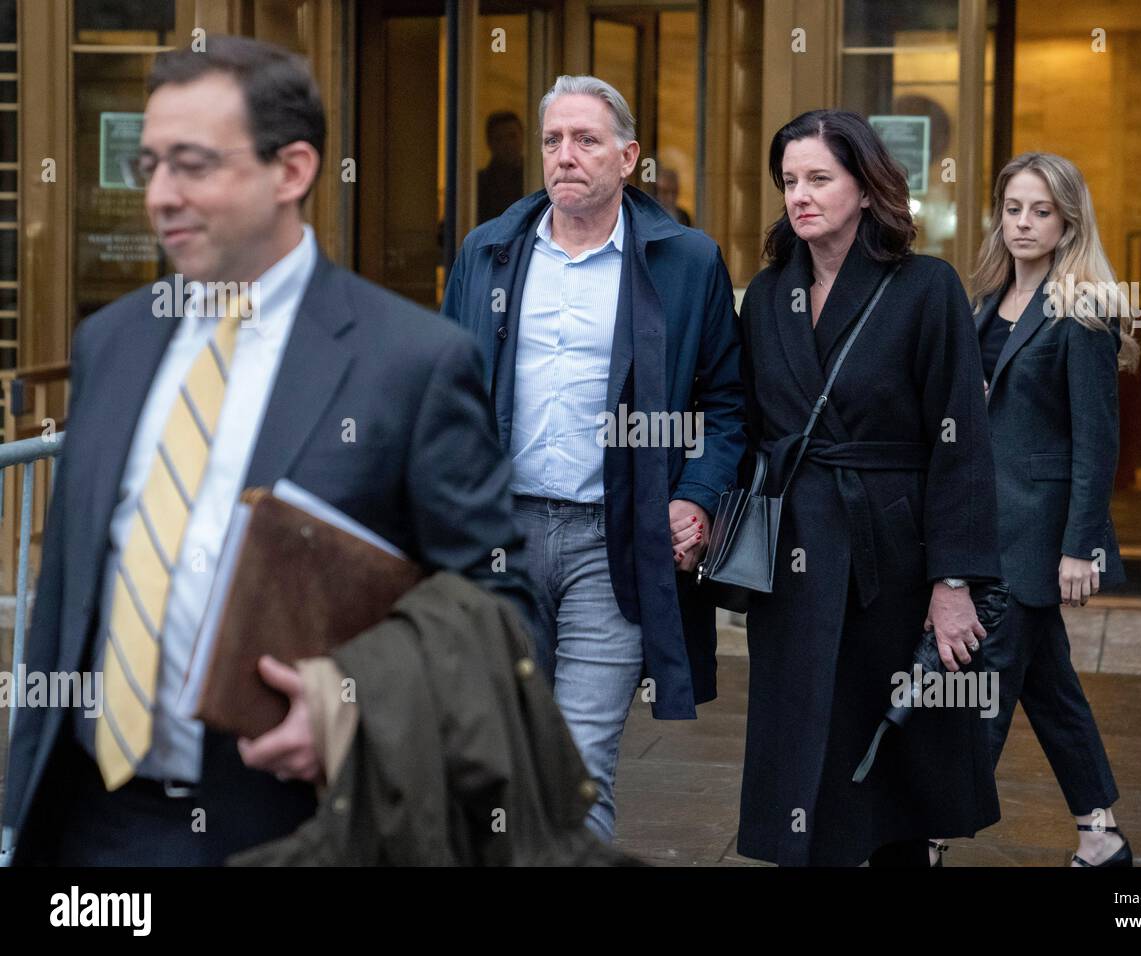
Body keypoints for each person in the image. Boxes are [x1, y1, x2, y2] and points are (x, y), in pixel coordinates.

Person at [2, 35, 535, 866]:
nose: (161, 196)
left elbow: (503, 614)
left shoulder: (411, 365)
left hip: (295, 827)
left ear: (291, 171)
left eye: (193, 165)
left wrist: (348, 705)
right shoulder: (110, 342)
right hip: (90, 828)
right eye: (150, 166)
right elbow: (70, 591)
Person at [441, 75, 746, 842]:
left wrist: (697, 495)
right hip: (498, 541)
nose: (564, 156)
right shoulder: (490, 251)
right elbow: (439, 393)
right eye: (553, 140)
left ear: (628, 156)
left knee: (580, 768)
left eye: (585, 140)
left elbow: (727, 404)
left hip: (613, 543)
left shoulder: (685, 261)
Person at [735, 109, 1001, 867]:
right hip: (792, 556)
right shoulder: (765, 295)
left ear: (867, 186)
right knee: (799, 739)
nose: (800, 195)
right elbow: (748, 427)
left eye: (820, 178)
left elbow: (963, 444)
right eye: (789, 181)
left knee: (889, 756)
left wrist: (954, 581)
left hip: (892, 554)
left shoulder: (925, 287)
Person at [969, 151, 1137, 867]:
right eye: (1013, 209)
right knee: (1050, 686)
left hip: (1037, 537)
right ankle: (1101, 835)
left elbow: (1098, 445)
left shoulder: (1084, 308)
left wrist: (1081, 547)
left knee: (980, 689)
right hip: (984, 524)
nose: (1024, 223)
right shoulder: (988, 300)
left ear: (1069, 220)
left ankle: (932, 831)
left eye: (1041, 210)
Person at [477, 111, 526, 224]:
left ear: (522, 137)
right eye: (499, 139)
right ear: (489, 143)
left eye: (512, 136)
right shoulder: (480, 184)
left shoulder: (536, 177)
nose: (507, 144)